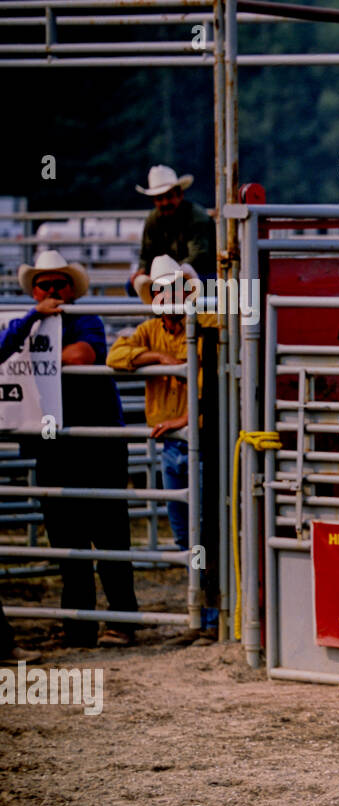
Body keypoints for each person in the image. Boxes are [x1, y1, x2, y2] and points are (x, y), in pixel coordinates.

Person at [1, 250, 139, 646]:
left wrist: (28, 362)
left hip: (97, 439)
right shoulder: (25, 323)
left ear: (70, 288)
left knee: (110, 534)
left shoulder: (85, 318)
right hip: (53, 441)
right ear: (34, 291)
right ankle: (79, 624)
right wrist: (31, 342)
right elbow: (2, 350)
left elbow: (85, 353)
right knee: (66, 539)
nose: (52, 290)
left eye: (59, 283)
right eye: (44, 284)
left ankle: (122, 621)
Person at [109, 255, 198, 549]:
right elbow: (115, 356)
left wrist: (185, 420)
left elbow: (214, 380)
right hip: (172, 440)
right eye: (161, 290)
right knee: (184, 530)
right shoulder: (149, 331)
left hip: (202, 437)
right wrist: (159, 358)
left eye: (173, 288)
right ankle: (196, 587)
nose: (167, 296)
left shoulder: (205, 325)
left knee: (206, 523)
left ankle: (211, 590)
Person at [130, 165, 216, 300]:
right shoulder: (152, 220)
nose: (165, 203)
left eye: (169, 197)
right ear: (154, 201)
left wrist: (169, 274)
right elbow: (146, 255)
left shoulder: (196, 217)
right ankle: (161, 318)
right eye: (159, 198)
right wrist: (141, 270)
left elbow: (199, 257)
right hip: (166, 277)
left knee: (208, 283)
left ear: (180, 194)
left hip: (201, 273)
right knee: (131, 285)